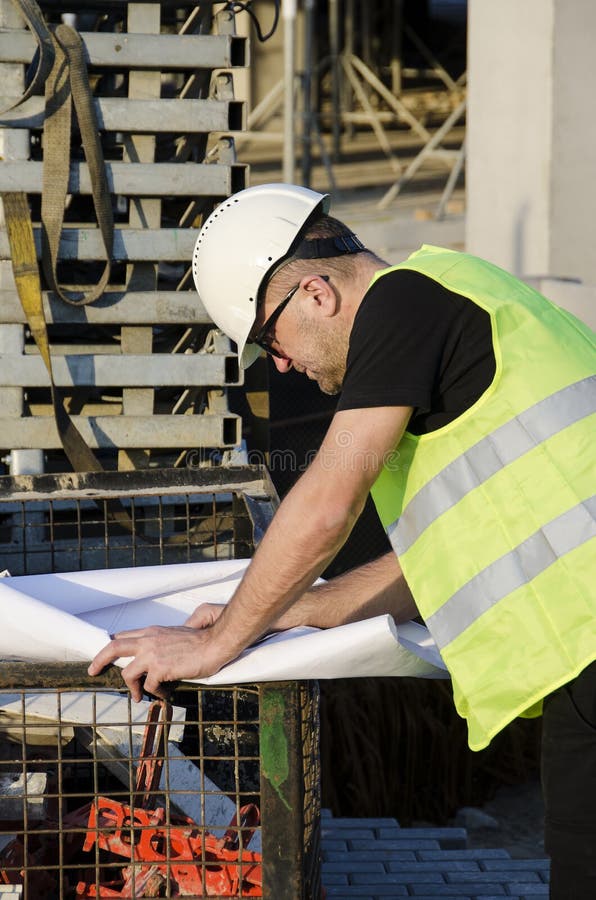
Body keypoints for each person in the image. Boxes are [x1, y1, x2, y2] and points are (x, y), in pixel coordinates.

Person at [90, 183, 596, 898]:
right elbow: (448, 563)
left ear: (319, 294)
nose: (284, 366)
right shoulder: (458, 305)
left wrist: (221, 641)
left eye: (271, 340)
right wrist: (296, 611)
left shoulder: (403, 301)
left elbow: (327, 503)